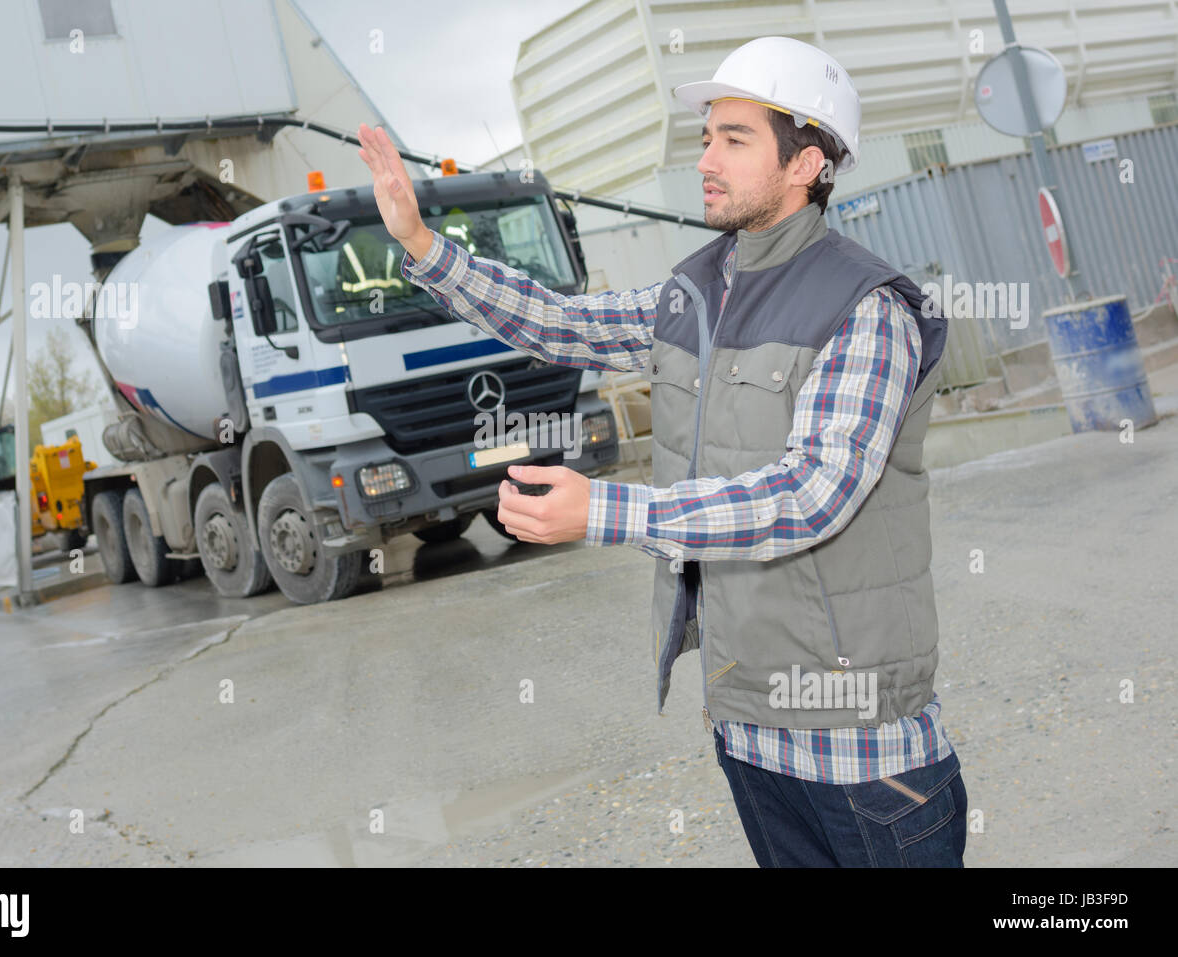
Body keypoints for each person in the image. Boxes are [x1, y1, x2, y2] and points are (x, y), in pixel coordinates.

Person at [355, 35, 966, 868]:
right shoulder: (696, 292)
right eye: (706, 136)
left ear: (806, 163)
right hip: (750, 729)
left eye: (734, 138)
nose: (704, 157)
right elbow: (563, 325)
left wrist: (603, 509)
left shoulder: (863, 308)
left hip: (863, 754)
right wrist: (427, 250)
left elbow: (811, 493)